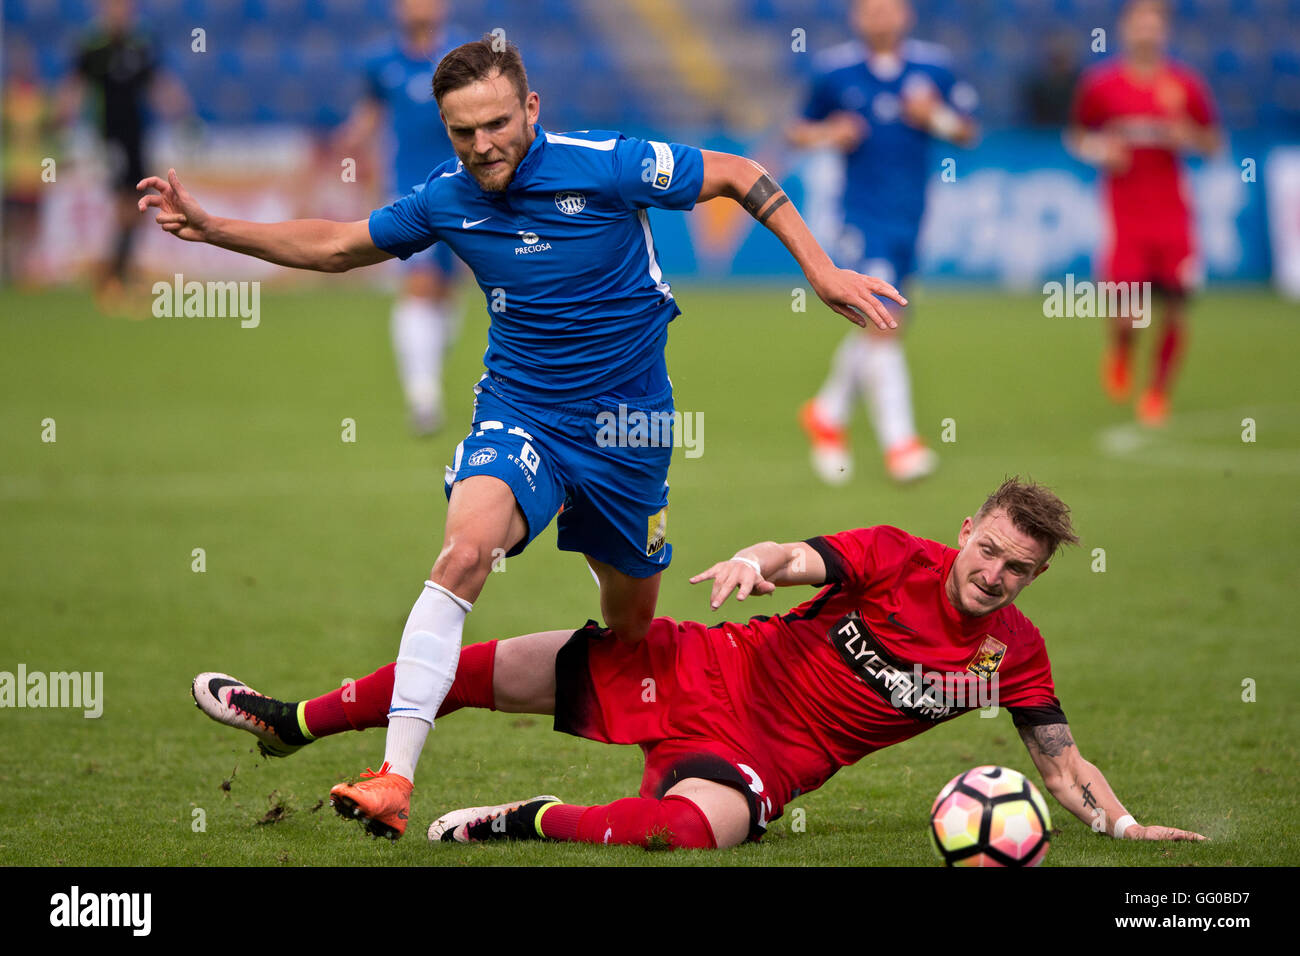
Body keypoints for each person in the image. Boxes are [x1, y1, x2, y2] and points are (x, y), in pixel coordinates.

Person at [141, 36, 905, 839]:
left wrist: (820, 273)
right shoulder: (446, 197)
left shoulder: (607, 163)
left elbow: (739, 174)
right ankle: (394, 776)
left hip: (627, 431)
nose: (482, 146)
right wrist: (214, 229)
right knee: (464, 553)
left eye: (498, 124)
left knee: (629, 633)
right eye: (462, 132)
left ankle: (315, 723)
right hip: (521, 411)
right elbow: (339, 245)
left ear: (532, 108)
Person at [193, 478, 1206, 850]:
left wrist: (1120, 821)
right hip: (701, 664)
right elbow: (798, 556)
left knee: (688, 832)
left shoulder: (1010, 654)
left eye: (1016, 568)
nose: (991, 573)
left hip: (770, 757)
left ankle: (523, 818)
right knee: (480, 669)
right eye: (986, 548)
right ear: (964, 532)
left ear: (1032, 579)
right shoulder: (901, 554)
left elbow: (1060, 759)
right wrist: (754, 565)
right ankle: (295, 719)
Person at [787, 0, 977, 485]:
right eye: (869, 10)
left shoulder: (934, 67)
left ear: (907, 15)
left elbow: (967, 132)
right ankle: (901, 445)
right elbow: (799, 131)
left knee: (883, 325)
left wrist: (933, 117)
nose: (880, 18)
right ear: (856, 18)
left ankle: (826, 413)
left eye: (888, 9)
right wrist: (832, 132)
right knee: (883, 321)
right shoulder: (835, 71)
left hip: (909, 218)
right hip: (859, 216)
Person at [1066, 0, 1219, 426]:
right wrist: (1101, 150)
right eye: (1139, 25)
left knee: (1175, 307)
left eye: (1154, 25)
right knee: (1128, 316)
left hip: (1173, 217)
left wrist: (1184, 134)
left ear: (1164, 32)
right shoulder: (1102, 85)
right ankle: (1122, 350)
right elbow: (1076, 136)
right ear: (1126, 30)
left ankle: (1156, 392)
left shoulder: (1184, 85)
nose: (1146, 33)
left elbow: (1214, 144)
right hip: (1126, 219)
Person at [335, 0, 465, 435]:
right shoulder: (381, 63)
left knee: (445, 298)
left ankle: (425, 373)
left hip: (465, 190)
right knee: (420, 285)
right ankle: (423, 399)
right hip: (411, 191)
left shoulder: (461, 60)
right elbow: (368, 118)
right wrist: (344, 150)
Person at [59, 0, 190, 309]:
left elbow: (158, 82)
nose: (119, 11)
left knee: (140, 207)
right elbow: (74, 85)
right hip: (111, 137)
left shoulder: (140, 43)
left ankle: (120, 274)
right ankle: (114, 277)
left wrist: (181, 112)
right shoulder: (94, 46)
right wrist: (63, 116)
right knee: (124, 202)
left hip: (138, 137)